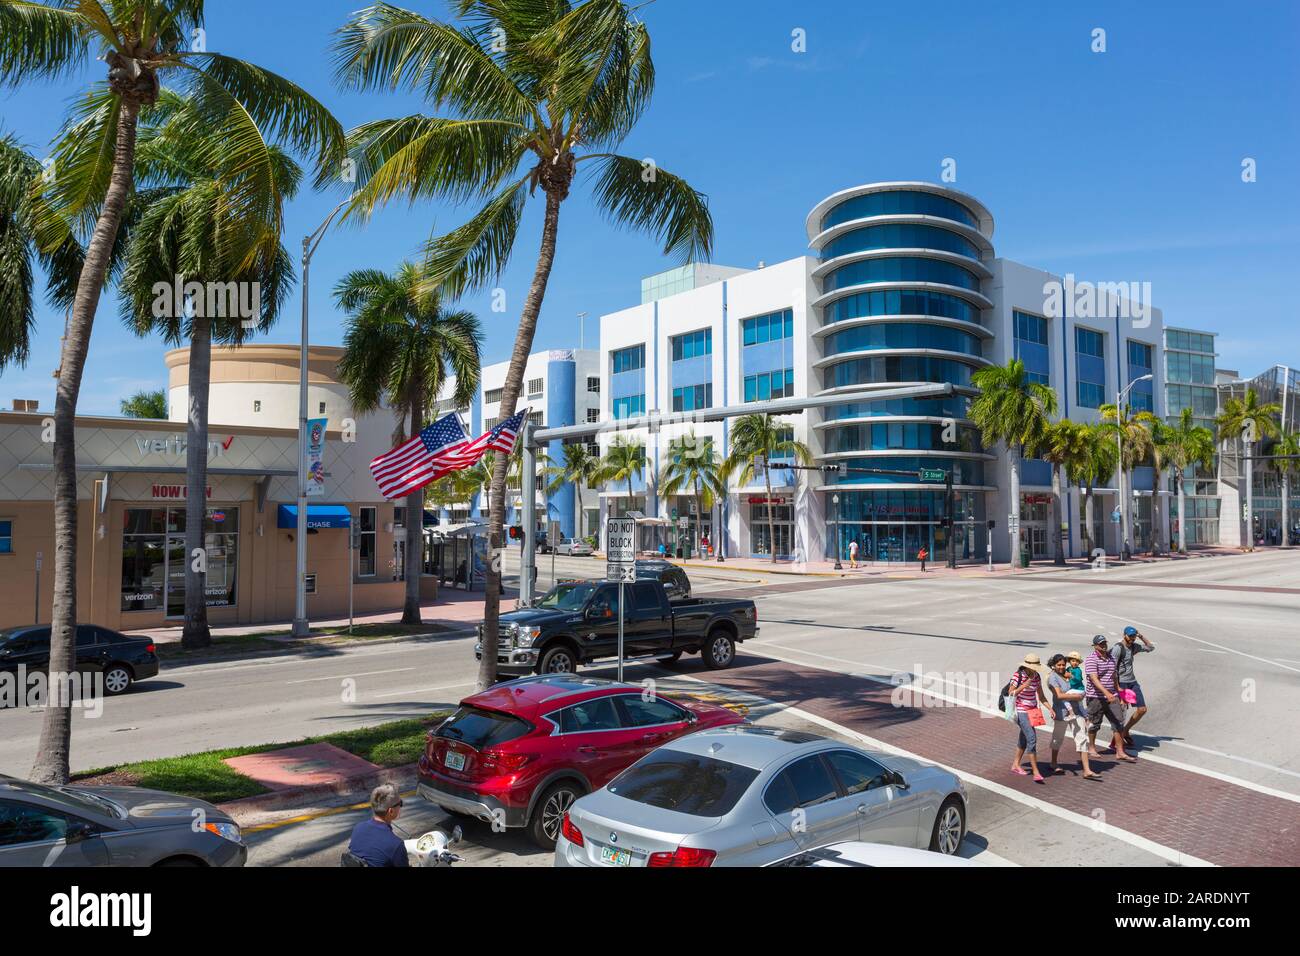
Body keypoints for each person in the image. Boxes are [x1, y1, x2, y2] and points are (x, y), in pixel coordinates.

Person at [1047, 654, 1101, 780]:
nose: (1061, 667)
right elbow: (1059, 696)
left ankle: (1087, 770)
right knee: (1057, 738)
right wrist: (1077, 697)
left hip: (1076, 711)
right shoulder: (1052, 678)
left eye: (1063, 665)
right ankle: (1053, 762)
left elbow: (1078, 683)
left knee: (1082, 738)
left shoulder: (1068, 673)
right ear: (1053, 666)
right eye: (1058, 665)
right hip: (1061, 713)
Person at [1083, 635, 1135, 763]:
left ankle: (1120, 752)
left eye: (1104, 643)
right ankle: (1091, 747)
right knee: (1094, 724)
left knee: (1118, 723)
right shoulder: (1091, 659)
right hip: (1096, 697)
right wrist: (1106, 693)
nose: (1104, 645)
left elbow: (1114, 677)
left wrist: (1120, 693)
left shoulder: (1111, 658)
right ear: (1095, 646)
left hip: (1113, 696)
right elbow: (1094, 679)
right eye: (1101, 644)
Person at [1008, 653, 1050, 783]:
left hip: (1033, 711)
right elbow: (1010, 692)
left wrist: (1050, 708)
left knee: (1024, 738)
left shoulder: (1036, 676)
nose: (1036, 669)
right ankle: (1036, 772)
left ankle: (1015, 765)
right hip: (1021, 711)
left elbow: (1041, 696)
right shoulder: (1018, 675)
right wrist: (1023, 686)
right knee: (1032, 738)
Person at [347, 784, 410, 867]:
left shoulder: (358, 828)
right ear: (390, 811)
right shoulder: (396, 845)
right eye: (400, 803)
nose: (401, 806)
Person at [1112, 625, 1155, 746]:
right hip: (1122, 683)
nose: (1132, 638)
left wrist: (1141, 636)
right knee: (1122, 711)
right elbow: (1112, 668)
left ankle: (1125, 731)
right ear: (1124, 635)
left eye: (1134, 636)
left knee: (1142, 709)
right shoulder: (1118, 648)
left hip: (1132, 682)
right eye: (1130, 636)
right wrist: (1117, 687)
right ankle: (1117, 738)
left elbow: (1151, 647)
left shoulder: (1134, 647)